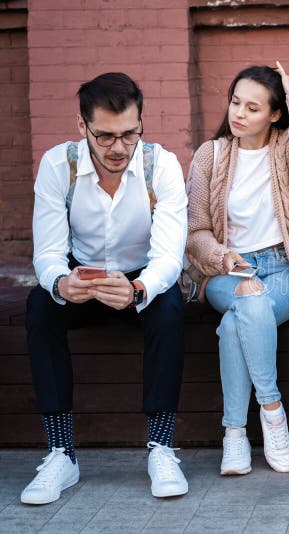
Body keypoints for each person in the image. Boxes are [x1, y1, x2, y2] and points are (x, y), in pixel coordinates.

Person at [23, 73, 189, 504]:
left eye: (129, 135)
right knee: (40, 307)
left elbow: (170, 256)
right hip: (83, 279)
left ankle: (161, 446)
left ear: (141, 124)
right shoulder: (58, 165)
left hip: (139, 279)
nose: (118, 148)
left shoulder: (161, 164)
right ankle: (61, 452)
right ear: (82, 127)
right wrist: (60, 283)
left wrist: (139, 289)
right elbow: (48, 251)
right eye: (105, 136)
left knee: (170, 307)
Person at [185, 63, 289, 476]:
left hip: (284, 272)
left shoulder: (286, 150)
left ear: (274, 114)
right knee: (246, 297)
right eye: (235, 103)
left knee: (236, 325)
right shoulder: (209, 156)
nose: (239, 114)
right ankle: (273, 412)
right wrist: (221, 256)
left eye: (253, 107)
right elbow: (195, 232)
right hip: (226, 274)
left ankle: (234, 433)